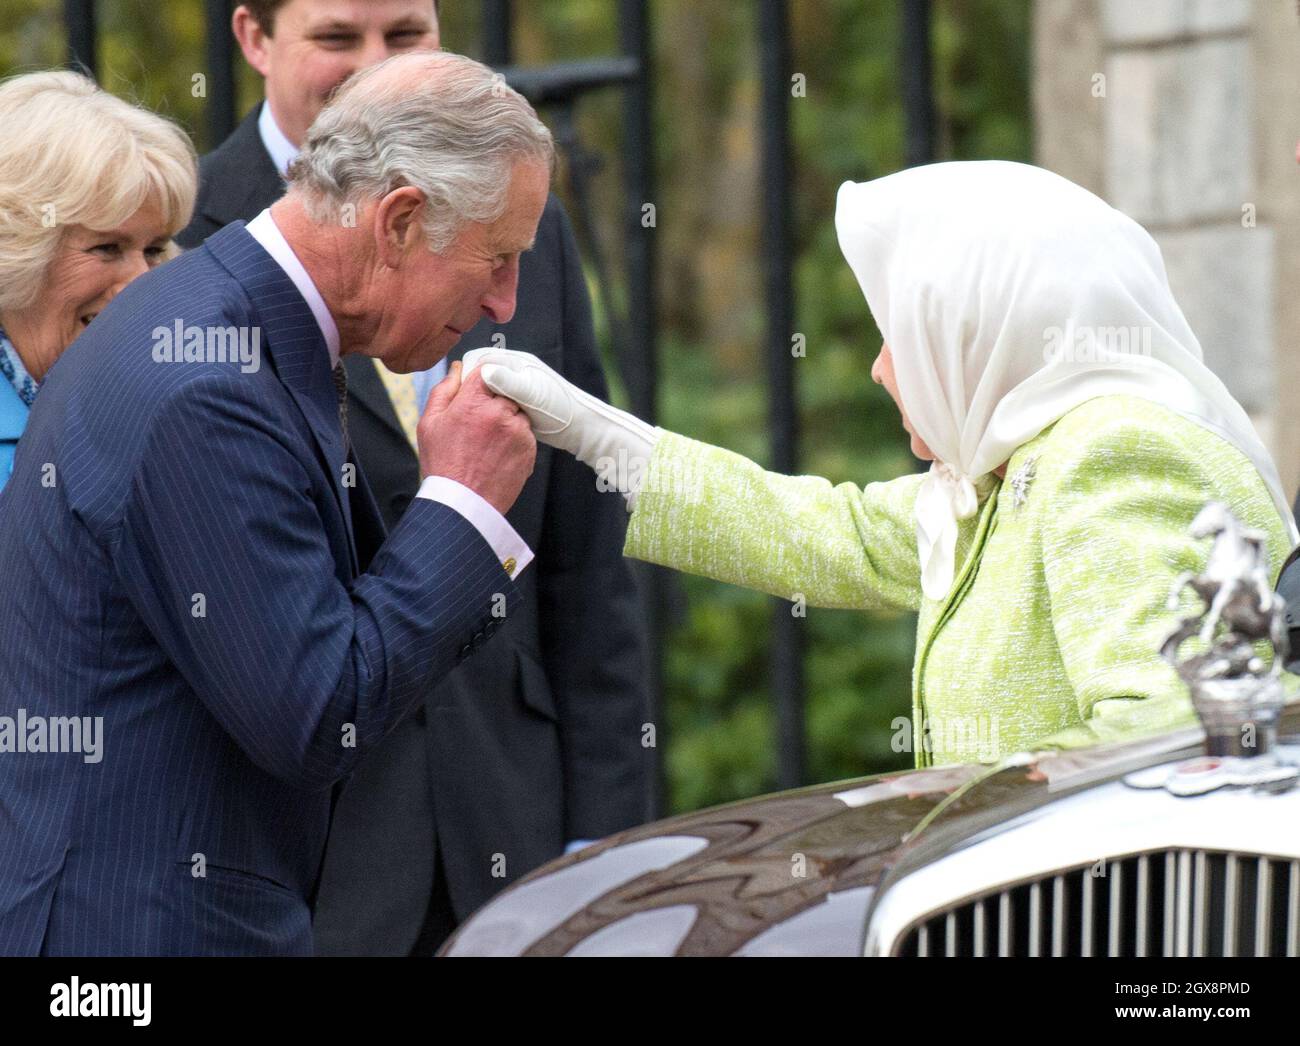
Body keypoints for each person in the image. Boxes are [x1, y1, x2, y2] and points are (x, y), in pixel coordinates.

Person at [467, 160, 1299, 767]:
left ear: (978, 328)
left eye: (899, 332)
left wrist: (942, 821)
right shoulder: (1018, 468)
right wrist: (588, 431)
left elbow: (1164, 727)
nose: (877, 366)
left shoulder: (1112, 451)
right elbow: (817, 531)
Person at [0, 50, 549, 956]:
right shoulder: (204, 384)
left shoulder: (228, 325)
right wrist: (461, 506)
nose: (505, 300)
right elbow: (314, 713)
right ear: (400, 221)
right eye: (498, 258)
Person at [176, 0, 649, 955]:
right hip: (307, 866)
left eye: (406, 34)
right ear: (253, 39)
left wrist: (609, 843)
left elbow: (587, 562)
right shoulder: (184, 235)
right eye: (337, 39)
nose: (373, 66)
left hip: (516, 827)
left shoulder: (526, 227)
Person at [0, 70, 195, 488]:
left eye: (155, 249)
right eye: (107, 248)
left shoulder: (180, 402)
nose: (143, 281)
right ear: (16, 249)